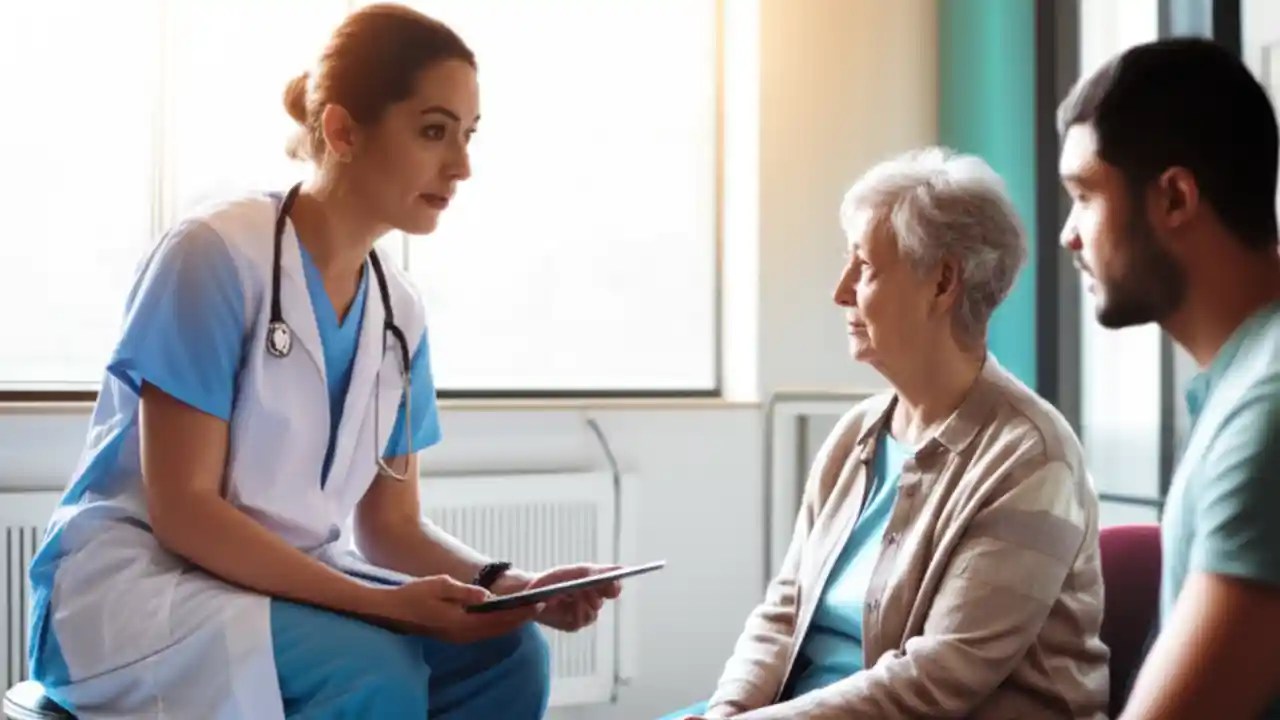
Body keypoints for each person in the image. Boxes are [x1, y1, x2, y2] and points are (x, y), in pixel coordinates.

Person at [26, 5, 619, 718]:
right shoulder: (213, 256)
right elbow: (184, 512)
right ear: (340, 130)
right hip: (139, 590)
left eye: (468, 135)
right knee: (373, 668)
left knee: (508, 654)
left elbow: (391, 526)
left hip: (284, 590)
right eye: (433, 131)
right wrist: (381, 604)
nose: (461, 165)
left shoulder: (400, 312)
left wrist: (507, 584)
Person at [665, 147, 1109, 720]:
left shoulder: (1032, 459)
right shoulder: (858, 434)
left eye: (865, 267)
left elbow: (934, 681)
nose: (840, 290)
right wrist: (727, 710)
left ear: (943, 281)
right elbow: (784, 610)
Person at [1058, 37, 1280, 720]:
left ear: (1176, 198)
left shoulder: (1266, 413)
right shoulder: (1241, 382)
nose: (1069, 235)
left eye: (1085, 195)